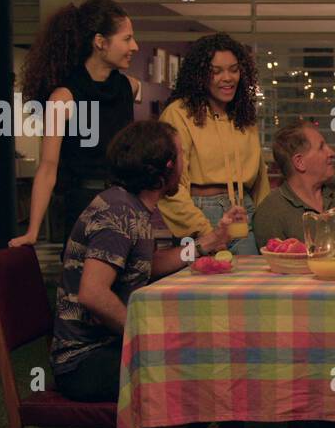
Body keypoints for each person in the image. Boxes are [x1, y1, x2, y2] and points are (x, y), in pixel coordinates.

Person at [51, 119, 244, 405]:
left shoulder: (139, 207)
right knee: (194, 373)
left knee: (203, 358)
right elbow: (93, 293)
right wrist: (147, 335)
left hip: (109, 345)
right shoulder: (118, 213)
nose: (186, 162)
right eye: (181, 154)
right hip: (84, 360)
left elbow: (147, 265)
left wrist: (211, 241)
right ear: (166, 165)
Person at [10, 0, 141, 246]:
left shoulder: (129, 87)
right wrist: (32, 231)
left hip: (126, 203)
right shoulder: (64, 97)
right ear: (100, 42)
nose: (134, 46)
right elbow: (48, 166)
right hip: (85, 205)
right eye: (126, 39)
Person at [157, 34, 267, 255]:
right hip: (199, 211)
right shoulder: (179, 113)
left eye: (234, 69)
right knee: (202, 287)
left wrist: (267, 226)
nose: (227, 78)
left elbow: (260, 182)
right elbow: (170, 186)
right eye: (216, 71)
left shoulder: (244, 117)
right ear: (199, 75)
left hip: (244, 212)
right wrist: (206, 231)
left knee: (252, 285)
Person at [253, 120, 335, 253]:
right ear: (300, 162)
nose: (332, 152)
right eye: (321, 147)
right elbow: (277, 267)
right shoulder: (270, 212)